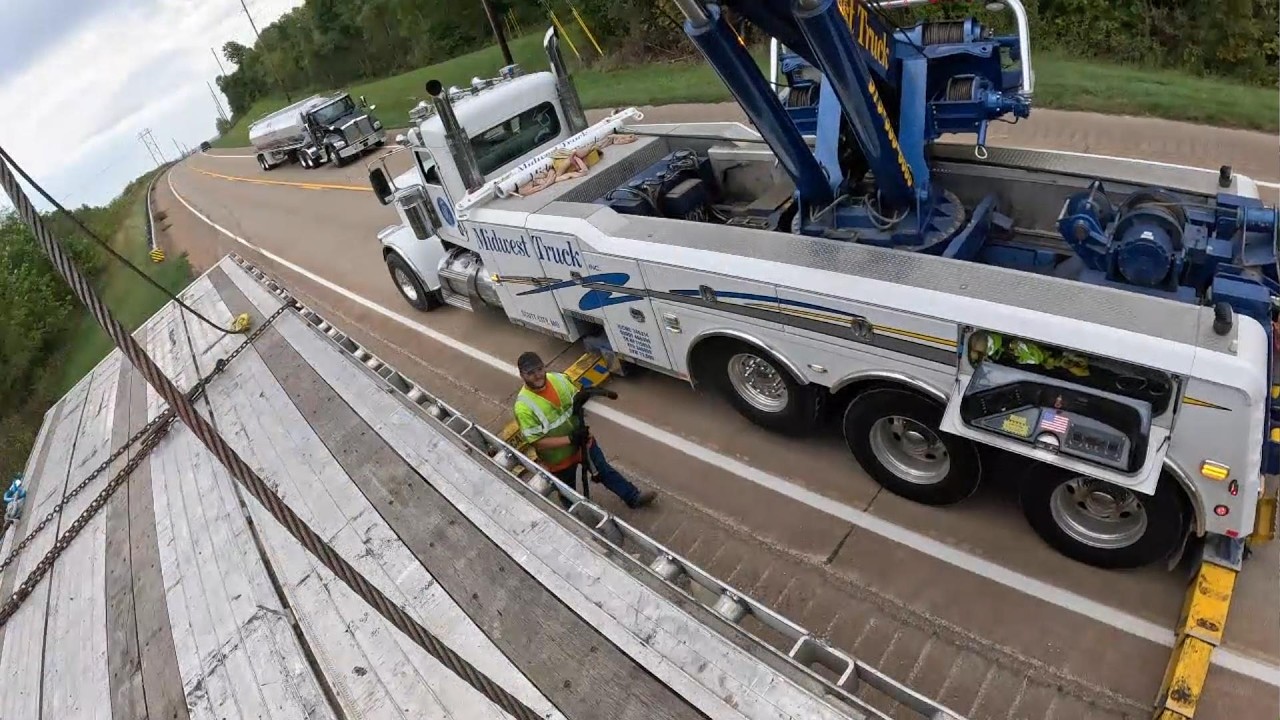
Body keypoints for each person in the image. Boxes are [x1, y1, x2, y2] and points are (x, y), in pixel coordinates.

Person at [513, 351, 655, 510]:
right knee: (568, 491)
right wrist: (571, 439)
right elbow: (537, 443)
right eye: (530, 373)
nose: (537, 375)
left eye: (539, 369)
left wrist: (585, 432)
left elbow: (577, 405)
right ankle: (574, 516)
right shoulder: (523, 407)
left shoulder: (559, 380)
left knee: (604, 470)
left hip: (584, 443)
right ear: (522, 375)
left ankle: (633, 497)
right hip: (560, 459)